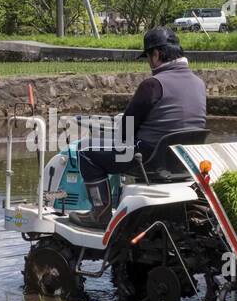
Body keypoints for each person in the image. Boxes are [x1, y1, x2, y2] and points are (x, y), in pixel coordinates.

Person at [68, 26, 206, 228]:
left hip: (150, 159)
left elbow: (126, 130)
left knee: (86, 150)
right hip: (183, 161)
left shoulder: (153, 84)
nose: (149, 64)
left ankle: (99, 214)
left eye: (148, 57)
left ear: (156, 54)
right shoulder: (198, 83)